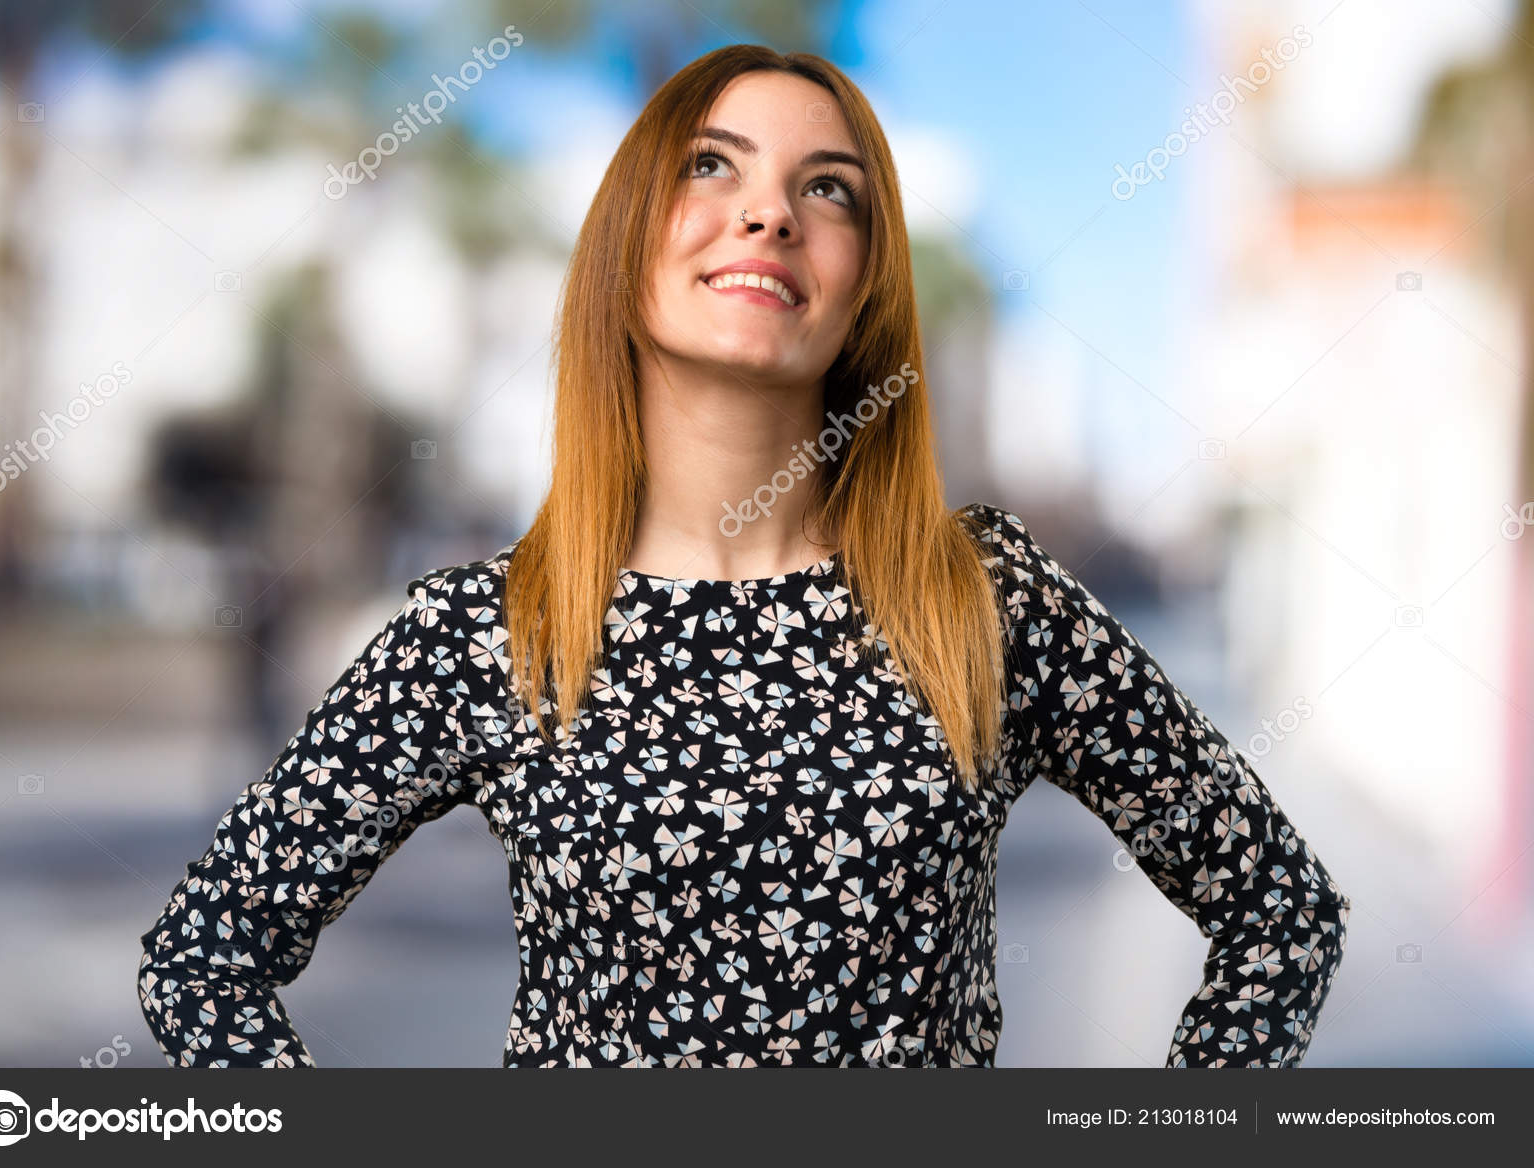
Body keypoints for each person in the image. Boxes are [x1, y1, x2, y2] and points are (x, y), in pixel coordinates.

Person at [136, 44, 1351, 1068]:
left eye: (831, 191)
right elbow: (202, 963)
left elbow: (1279, 913)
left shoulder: (982, 601)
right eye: (710, 165)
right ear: (627, 240)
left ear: (864, 285)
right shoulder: (488, 630)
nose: (770, 211)